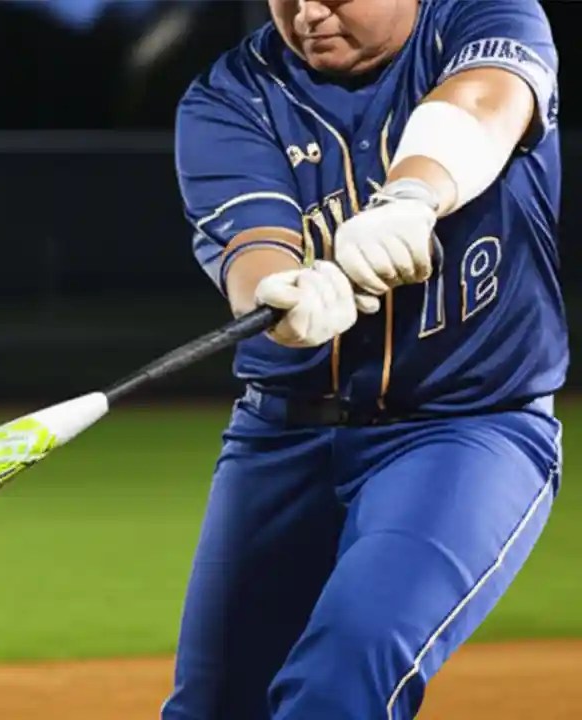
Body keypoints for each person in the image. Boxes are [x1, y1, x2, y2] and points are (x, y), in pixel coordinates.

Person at [165, 0, 565, 717]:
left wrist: (411, 196)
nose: (307, 13)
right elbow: (252, 247)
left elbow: (481, 101)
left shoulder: (482, 16)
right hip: (281, 438)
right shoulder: (230, 93)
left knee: (341, 675)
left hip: (462, 430)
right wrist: (277, 292)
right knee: (217, 707)